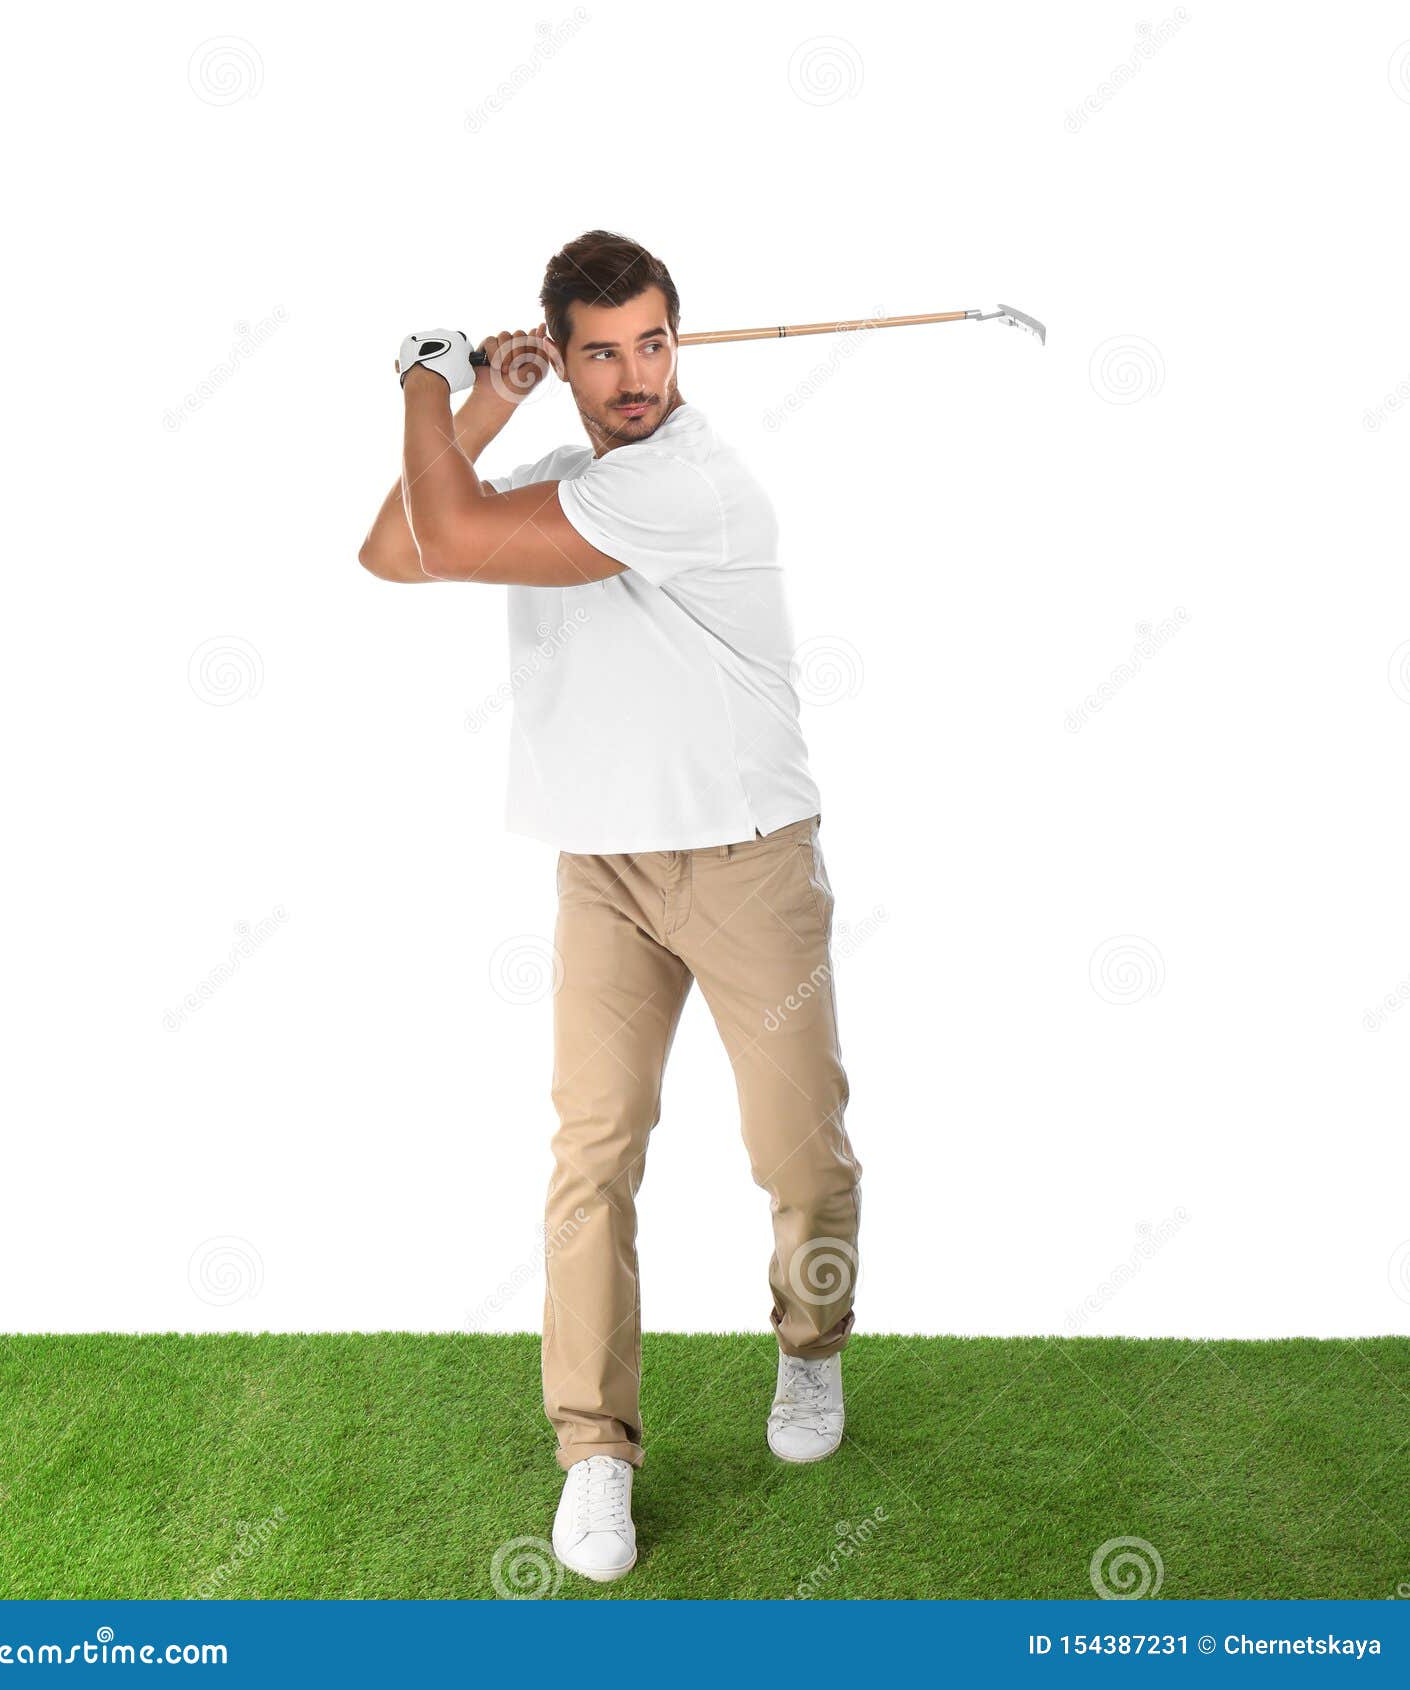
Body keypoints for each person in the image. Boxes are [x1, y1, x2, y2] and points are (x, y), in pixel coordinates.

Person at [358, 230, 861, 1584]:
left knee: (797, 1151)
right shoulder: (573, 475)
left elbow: (448, 531)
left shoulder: (689, 488)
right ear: (563, 355)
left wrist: (421, 375)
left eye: (653, 342)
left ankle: (809, 1352)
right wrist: (482, 399)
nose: (635, 374)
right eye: (601, 351)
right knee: (593, 1156)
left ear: (675, 342)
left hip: (748, 858)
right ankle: (594, 1448)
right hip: (603, 872)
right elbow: (396, 550)